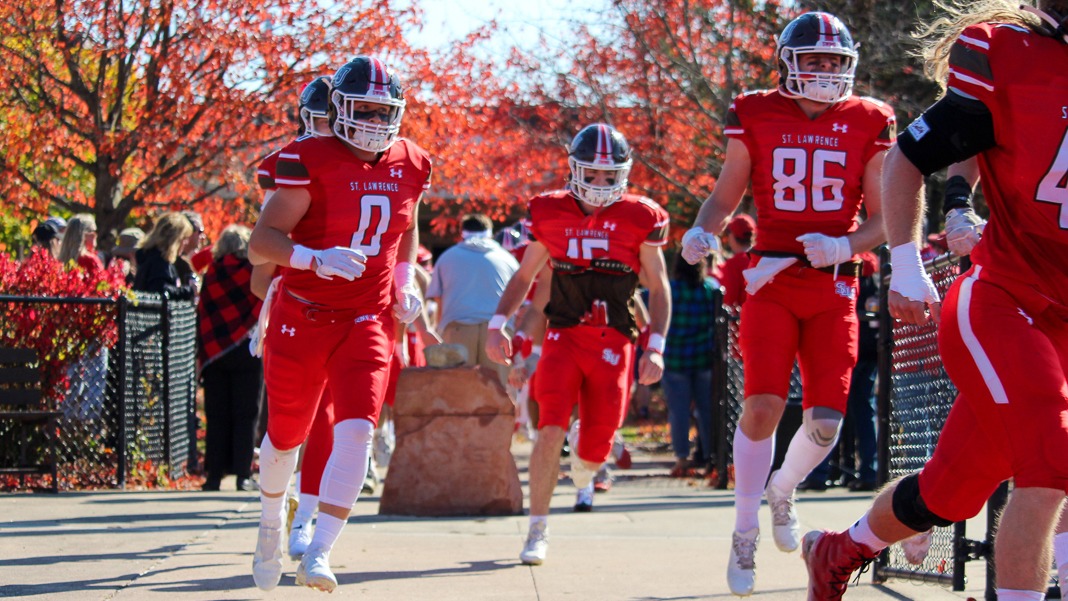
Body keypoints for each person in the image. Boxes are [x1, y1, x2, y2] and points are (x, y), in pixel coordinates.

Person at [801, 2, 1068, 600]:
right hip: (1007, 301)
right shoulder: (1013, 57)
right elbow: (908, 157)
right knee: (1055, 459)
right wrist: (906, 263)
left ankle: (838, 550)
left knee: (951, 492)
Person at [679, 12, 895, 596]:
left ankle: (783, 488)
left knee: (825, 424)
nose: (826, 72)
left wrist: (844, 243)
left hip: (835, 284)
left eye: (835, 62)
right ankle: (744, 527)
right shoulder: (754, 110)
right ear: (786, 64)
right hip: (771, 279)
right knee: (764, 406)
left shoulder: (870, 118)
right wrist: (703, 231)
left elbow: (884, 218)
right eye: (815, 61)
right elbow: (725, 195)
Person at [247, 56, 431, 593]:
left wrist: (405, 279)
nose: (375, 120)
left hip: (367, 317)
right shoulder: (308, 158)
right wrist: (312, 258)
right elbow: (262, 243)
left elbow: (407, 224)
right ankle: (268, 526)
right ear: (339, 107)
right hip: (303, 314)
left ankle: (319, 549)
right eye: (365, 109)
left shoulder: (412, 162)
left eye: (384, 110)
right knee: (286, 436)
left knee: (357, 432)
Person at [485, 122, 671, 566]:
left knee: (595, 448)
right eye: (593, 173)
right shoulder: (548, 212)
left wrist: (657, 344)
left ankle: (586, 464)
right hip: (563, 337)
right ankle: (537, 529)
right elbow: (526, 277)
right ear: (574, 169)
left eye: (612, 176)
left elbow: (659, 287)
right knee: (548, 429)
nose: (602, 184)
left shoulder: (642, 215)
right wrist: (498, 323)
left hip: (614, 342)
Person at [198, 225, 263, 492]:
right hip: (248, 348)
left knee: (217, 415)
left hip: (216, 352)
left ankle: (213, 475)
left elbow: (204, 312)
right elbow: (263, 302)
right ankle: (242, 475)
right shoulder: (254, 272)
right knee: (246, 415)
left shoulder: (212, 272)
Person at [426, 213, 519, 383]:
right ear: (490, 232)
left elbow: (438, 299)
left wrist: (440, 332)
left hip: (458, 330)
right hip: (498, 331)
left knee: (457, 394)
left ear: (462, 231)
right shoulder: (507, 258)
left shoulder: (448, 257)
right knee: (499, 394)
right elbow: (519, 299)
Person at [662, 254, 719, 477]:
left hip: (674, 359)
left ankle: (682, 458)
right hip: (703, 358)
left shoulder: (670, 290)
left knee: (678, 412)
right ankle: (711, 457)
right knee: (706, 410)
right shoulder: (710, 289)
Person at [132, 212, 196, 298]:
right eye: (184, 238)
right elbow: (160, 291)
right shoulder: (158, 262)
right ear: (174, 239)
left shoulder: (150, 256)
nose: (186, 242)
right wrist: (189, 291)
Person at [720, 213, 755, 307]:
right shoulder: (762, 259)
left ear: (733, 235)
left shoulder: (733, 264)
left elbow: (729, 299)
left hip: (742, 318)